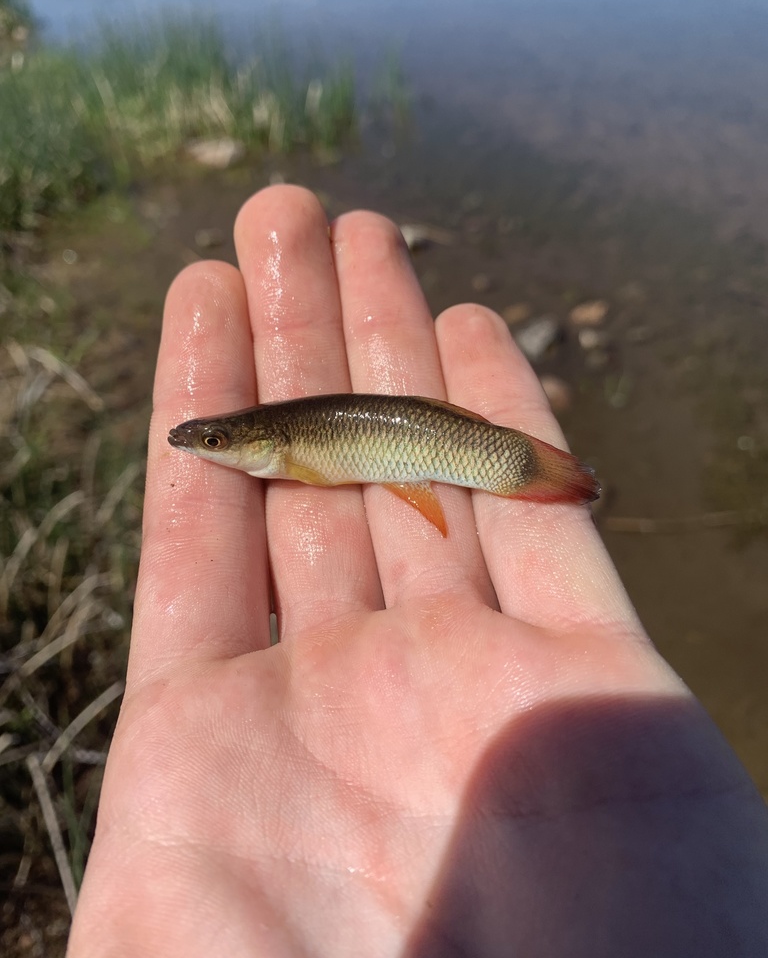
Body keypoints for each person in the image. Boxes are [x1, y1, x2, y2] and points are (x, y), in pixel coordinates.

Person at [67, 186, 768, 957]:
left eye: (219, 442)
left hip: (418, 441)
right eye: (212, 442)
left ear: (257, 439)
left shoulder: (289, 447)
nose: (206, 449)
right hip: (397, 439)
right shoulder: (274, 443)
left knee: (505, 459)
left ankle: (532, 469)